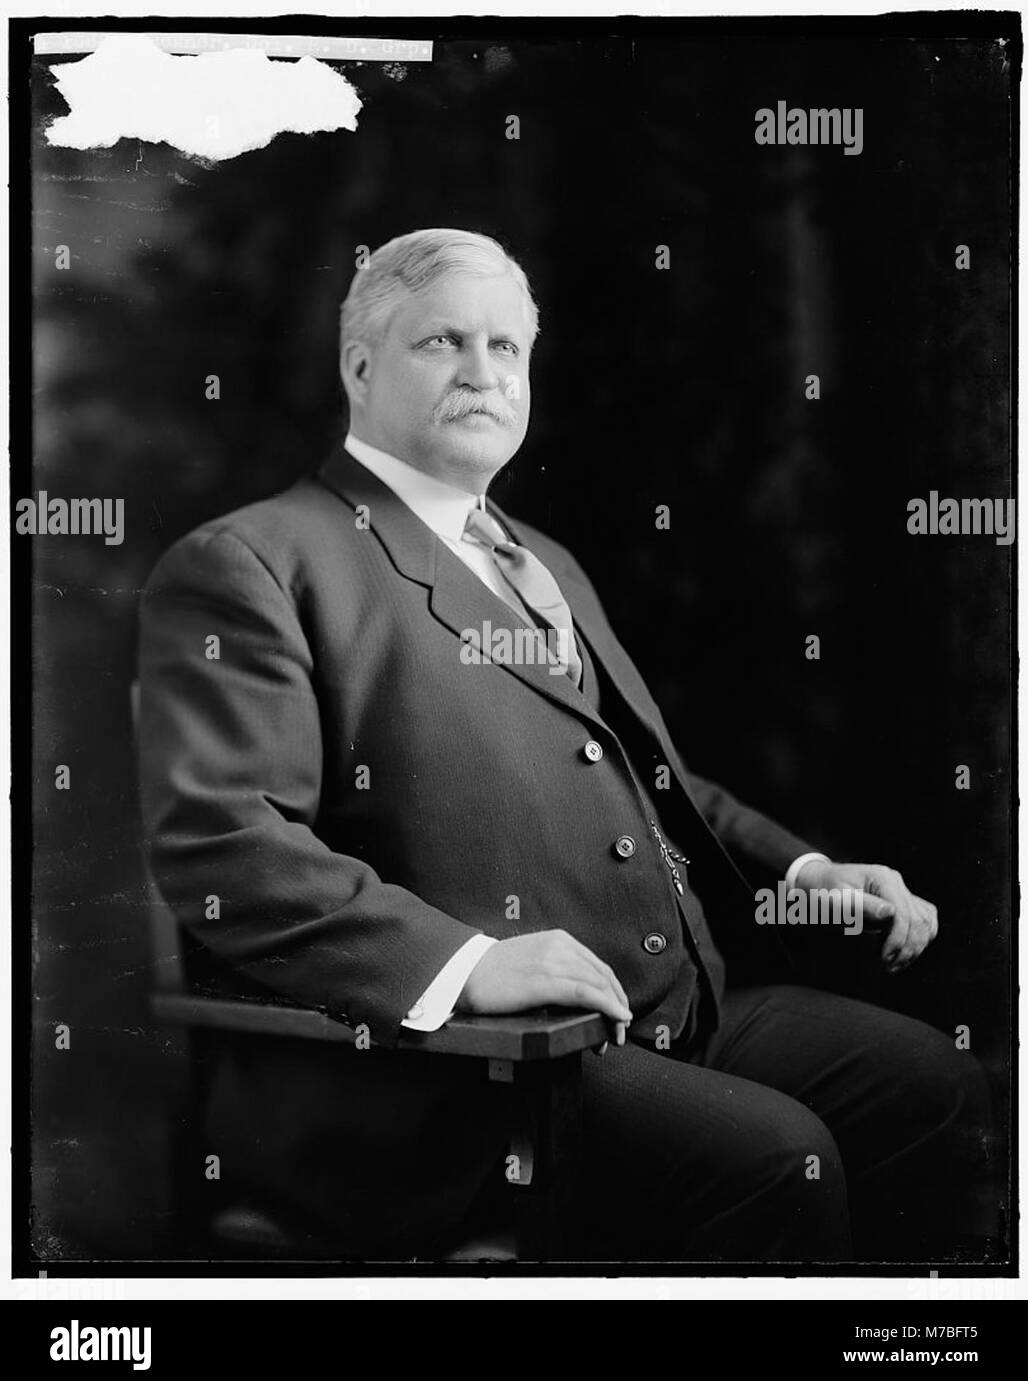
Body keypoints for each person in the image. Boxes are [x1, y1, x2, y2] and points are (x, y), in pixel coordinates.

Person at [138, 228, 993, 1262]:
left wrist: (806, 871)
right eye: (442, 341)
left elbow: (654, 777)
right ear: (358, 367)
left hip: (660, 1014)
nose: (482, 373)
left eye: (506, 348)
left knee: (929, 1083)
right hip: (459, 1066)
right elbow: (224, 843)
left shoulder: (540, 559)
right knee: (774, 1156)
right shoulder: (254, 561)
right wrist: (467, 963)